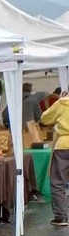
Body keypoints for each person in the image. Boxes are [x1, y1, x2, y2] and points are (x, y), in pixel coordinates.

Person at [40, 90, 69, 227]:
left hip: (63, 145)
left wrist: (60, 100)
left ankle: (61, 217)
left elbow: (45, 118)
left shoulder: (62, 103)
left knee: (58, 182)